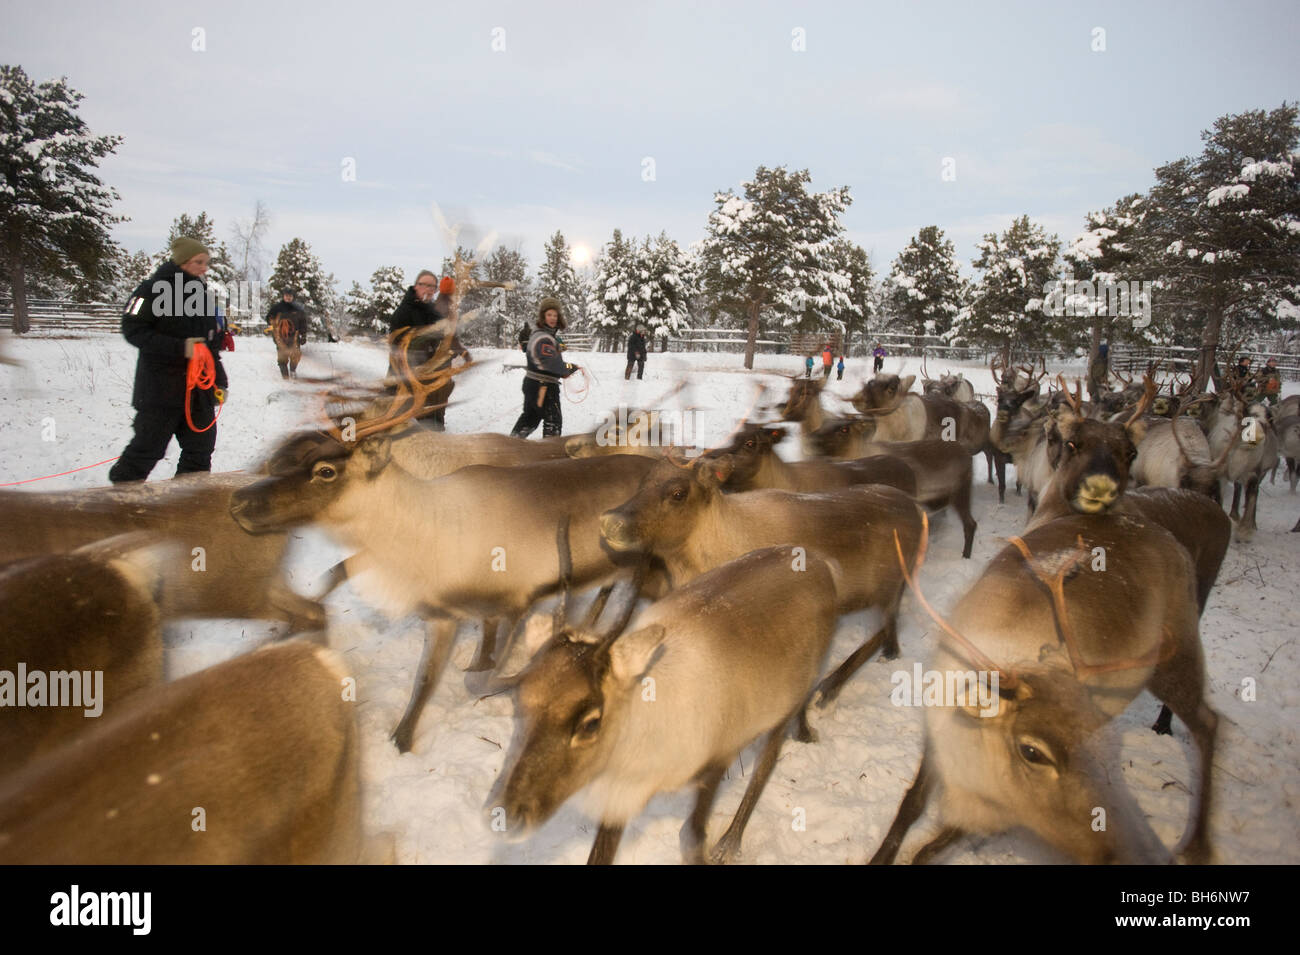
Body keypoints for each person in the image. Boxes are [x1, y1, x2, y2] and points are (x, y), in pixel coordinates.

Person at [108, 236, 229, 483]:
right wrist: (180, 348)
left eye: (206, 262)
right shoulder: (150, 290)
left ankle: (187, 500)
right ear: (182, 261)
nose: (205, 268)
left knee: (201, 449)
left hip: (198, 392)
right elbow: (133, 330)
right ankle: (121, 497)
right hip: (160, 389)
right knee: (148, 449)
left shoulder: (201, 294)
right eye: (199, 262)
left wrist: (220, 381)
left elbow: (209, 346)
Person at [388, 272, 470, 431]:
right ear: (416, 285)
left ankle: (435, 429)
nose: (428, 289)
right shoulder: (404, 312)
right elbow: (398, 348)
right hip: (410, 374)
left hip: (430, 370)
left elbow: (446, 333)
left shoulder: (430, 309)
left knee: (434, 405)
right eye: (424, 285)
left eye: (432, 286)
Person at [512, 297, 578, 438]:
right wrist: (568, 368)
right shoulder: (543, 338)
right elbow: (551, 363)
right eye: (549, 315)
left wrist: (565, 367)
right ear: (543, 316)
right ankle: (550, 454)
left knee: (529, 421)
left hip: (535, 384)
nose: (553, 318)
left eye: (555, 315)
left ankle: (508, 448)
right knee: (553, 424)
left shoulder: (544, 335)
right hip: (543, 387)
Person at [266, 288, 307, 379]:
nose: (288, 298)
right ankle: (285, 377)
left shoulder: (298, 309)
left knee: (295, 356)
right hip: (280, 337)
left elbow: (303, 323)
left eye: (290, 296)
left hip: (294, 337)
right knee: (282, 358)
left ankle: (292, 370)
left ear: (293, 297)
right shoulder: (277, 308)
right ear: (283, 296)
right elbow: (269, 319)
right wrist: (274, 322)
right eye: (286, 296)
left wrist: (303, 335)